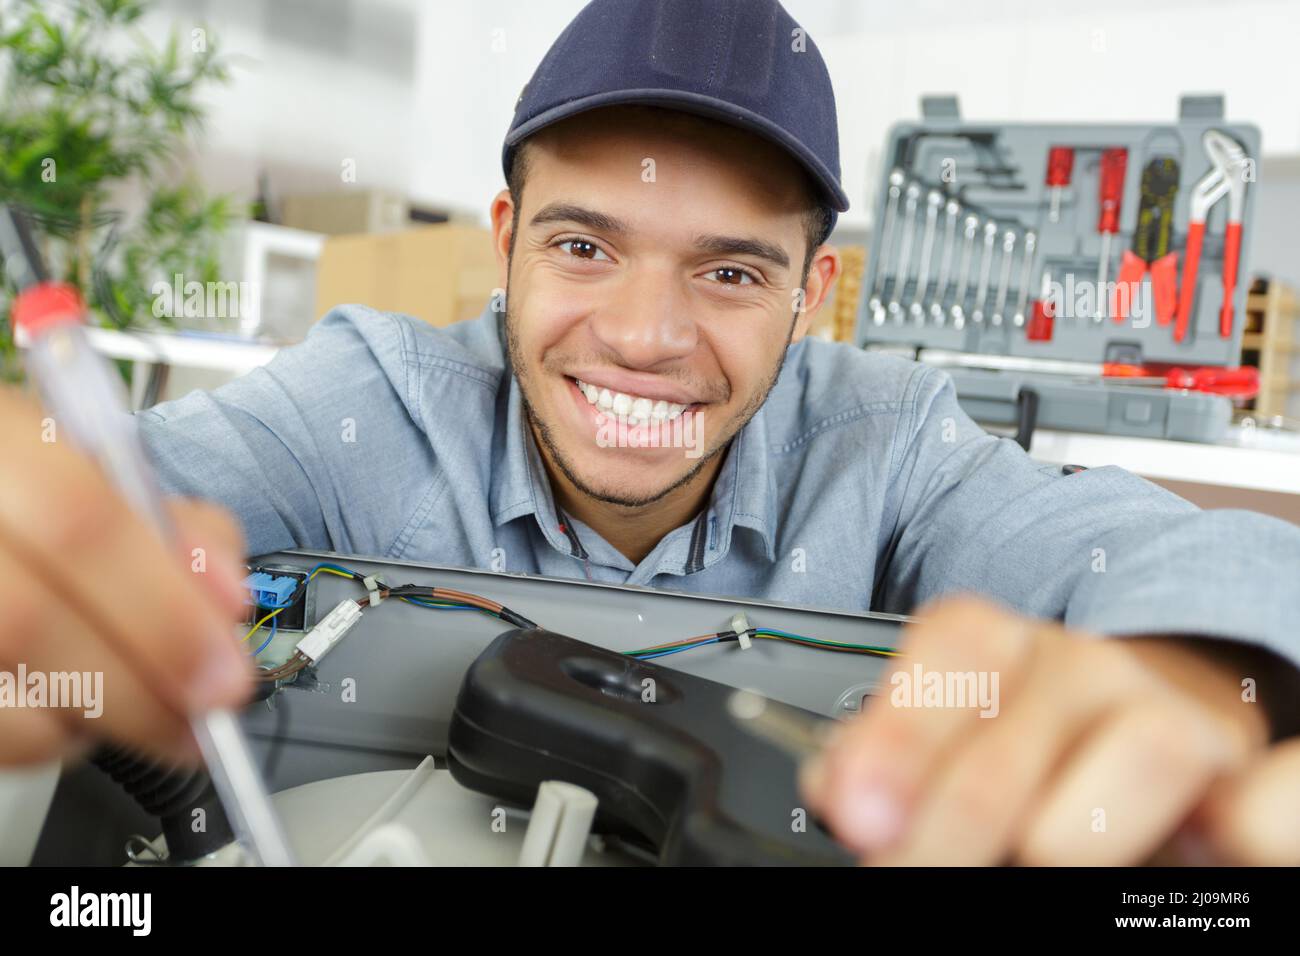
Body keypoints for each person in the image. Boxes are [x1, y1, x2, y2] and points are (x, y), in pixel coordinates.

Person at [1, 0, 1297, 865]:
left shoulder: (888, 440)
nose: (643, 335)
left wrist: (1191, 674)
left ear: (814, 294)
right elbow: (125, 507)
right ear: (505, 245)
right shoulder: (363, 399)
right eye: (582, 247)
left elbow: (1160, 552)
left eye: (730, 273)